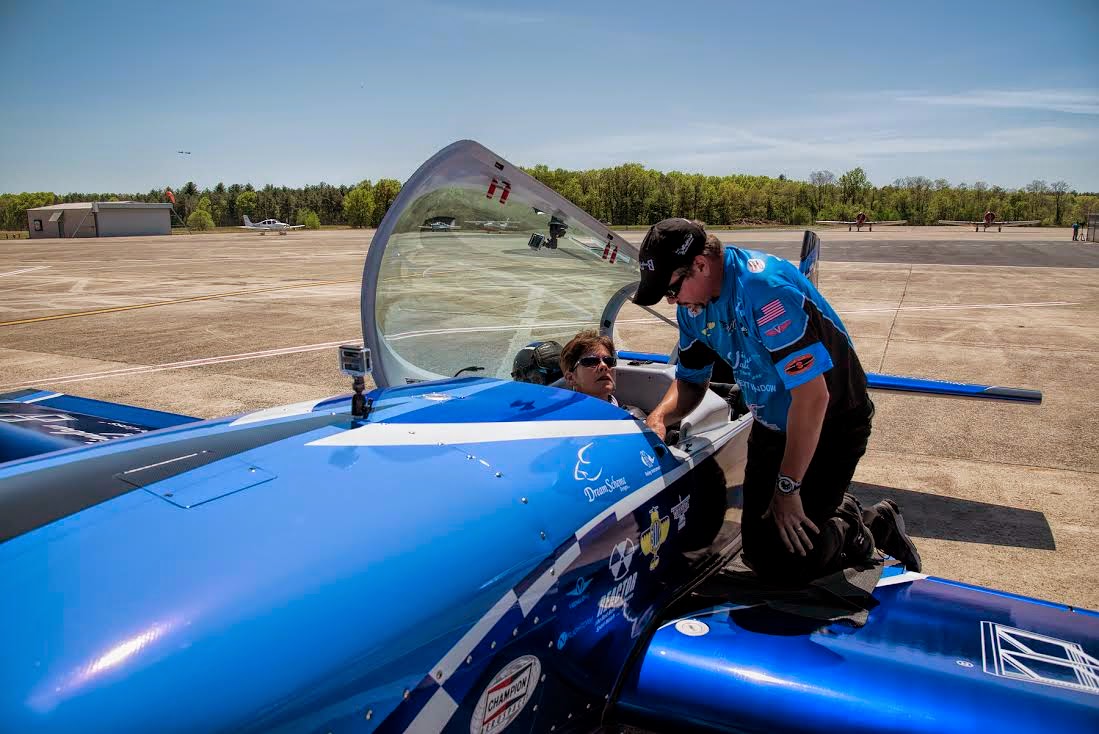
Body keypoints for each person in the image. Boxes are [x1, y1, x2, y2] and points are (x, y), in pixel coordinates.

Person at [633, 218, 920, 583]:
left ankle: (870, 523)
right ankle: (833, 513)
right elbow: (690, 384)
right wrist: (658, 418)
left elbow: (813, 397)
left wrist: (788, 487)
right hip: (771, 423)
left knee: (790, 562)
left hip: (830, 423)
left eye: (673, 289)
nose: (673, 301)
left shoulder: (764, 291)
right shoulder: (693, 309)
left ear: (701, 265)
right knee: (756, 552)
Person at [559, 330, 647, 420]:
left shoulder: (634, 417)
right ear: (570, 378)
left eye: (609, 361)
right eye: (591, 361)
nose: (604, 366)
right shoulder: (560, 419)